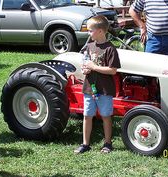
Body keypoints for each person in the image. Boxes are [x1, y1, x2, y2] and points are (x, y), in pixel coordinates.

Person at [74, 15, 121, 154]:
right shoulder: (89, 46)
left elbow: (113, 70)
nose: (88, 33)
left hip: (105, 89)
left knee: (106, 116)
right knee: (87, 116)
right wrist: (85, 69)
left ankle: (107, 143)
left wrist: (93, 67)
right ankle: (85, 144)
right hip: (89, 88)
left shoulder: (110, 49)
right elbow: (85, 63)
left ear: (100, 31)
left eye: (90, 30)